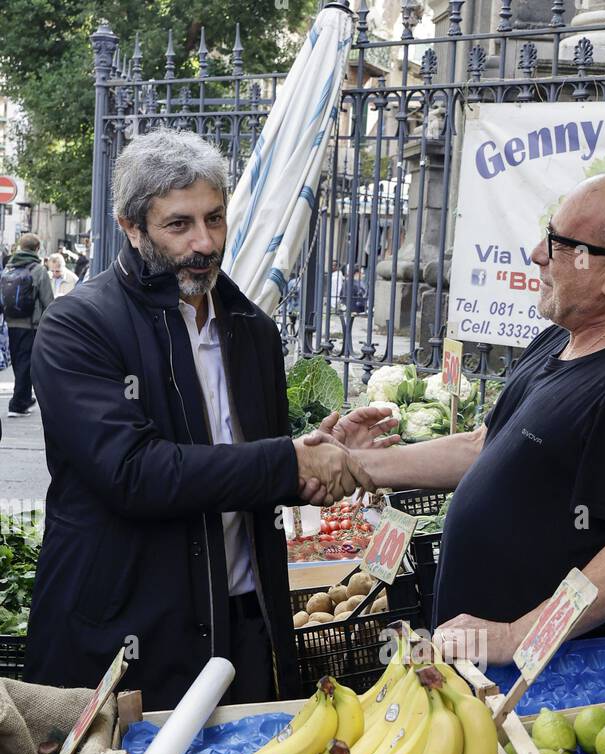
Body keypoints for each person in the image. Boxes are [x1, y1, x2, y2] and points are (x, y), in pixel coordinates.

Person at [25, 130, 383, 707]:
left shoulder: (252, 329)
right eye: (179, 225)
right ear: (131, 227)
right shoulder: (78, 327)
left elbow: (246, 470)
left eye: (214, 219)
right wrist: (286, 460)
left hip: (244, 623)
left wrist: (317, 458)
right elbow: (135, 474)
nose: (204, 242)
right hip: (127, 632)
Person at [344, 171, 605, 666]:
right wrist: (357, 465)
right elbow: (481, 447)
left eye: (558, 243)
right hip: (479, 661)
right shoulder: (559, 340)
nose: (536, 254)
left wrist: (519, 637)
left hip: (552, 680)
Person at [1, 233, 53, 417]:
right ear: (37, 248)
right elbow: (48, 300)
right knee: (26, 362)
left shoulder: (9, 266)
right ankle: (17, 404)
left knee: (17, 361)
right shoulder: (38, 269)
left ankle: (23, 397)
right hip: (31, 325)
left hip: (11, 322)